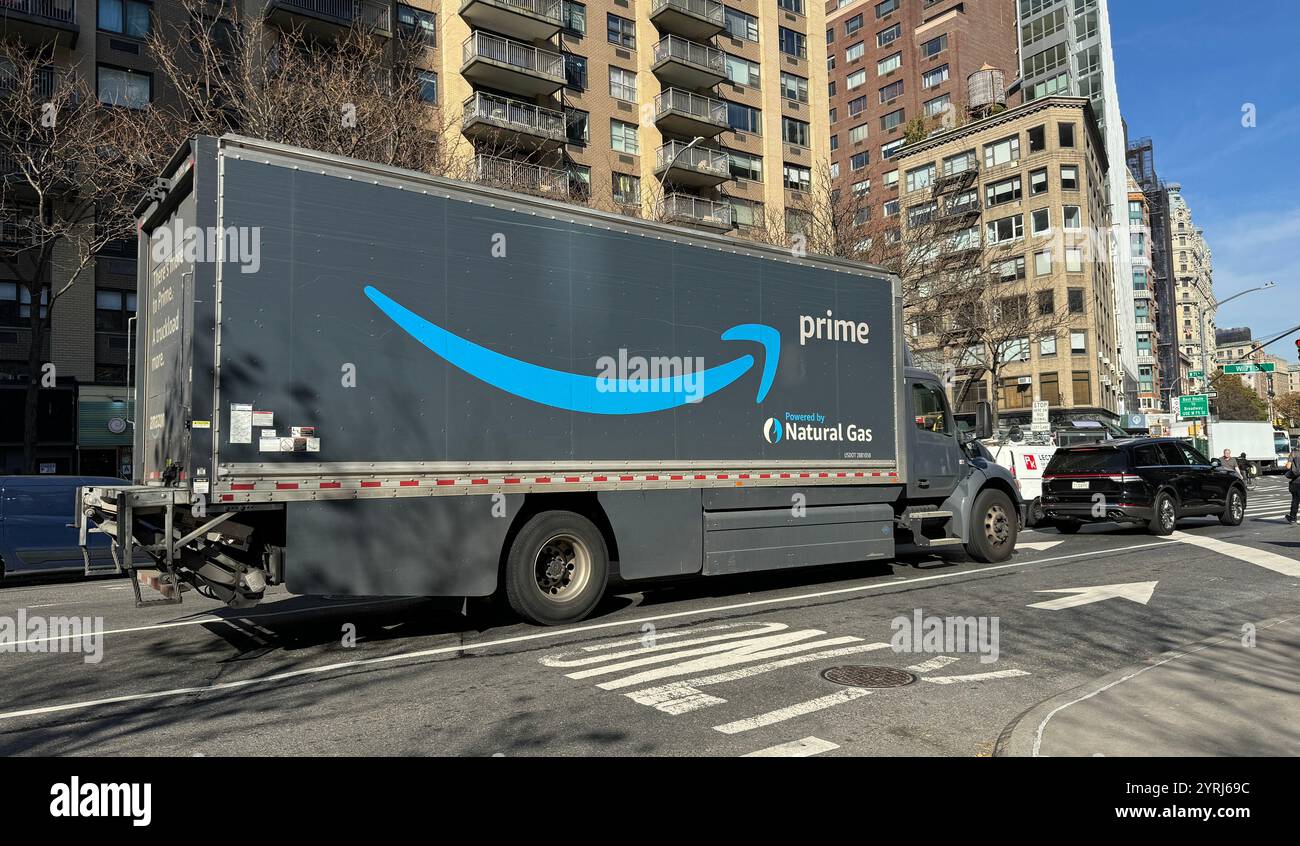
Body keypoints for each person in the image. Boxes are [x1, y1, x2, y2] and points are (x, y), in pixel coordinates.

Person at [1286, 450, 1300, 525]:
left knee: (1295, 500)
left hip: (1295, 481)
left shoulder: (1294, 453)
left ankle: (1293, 517)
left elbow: (1288, 466)